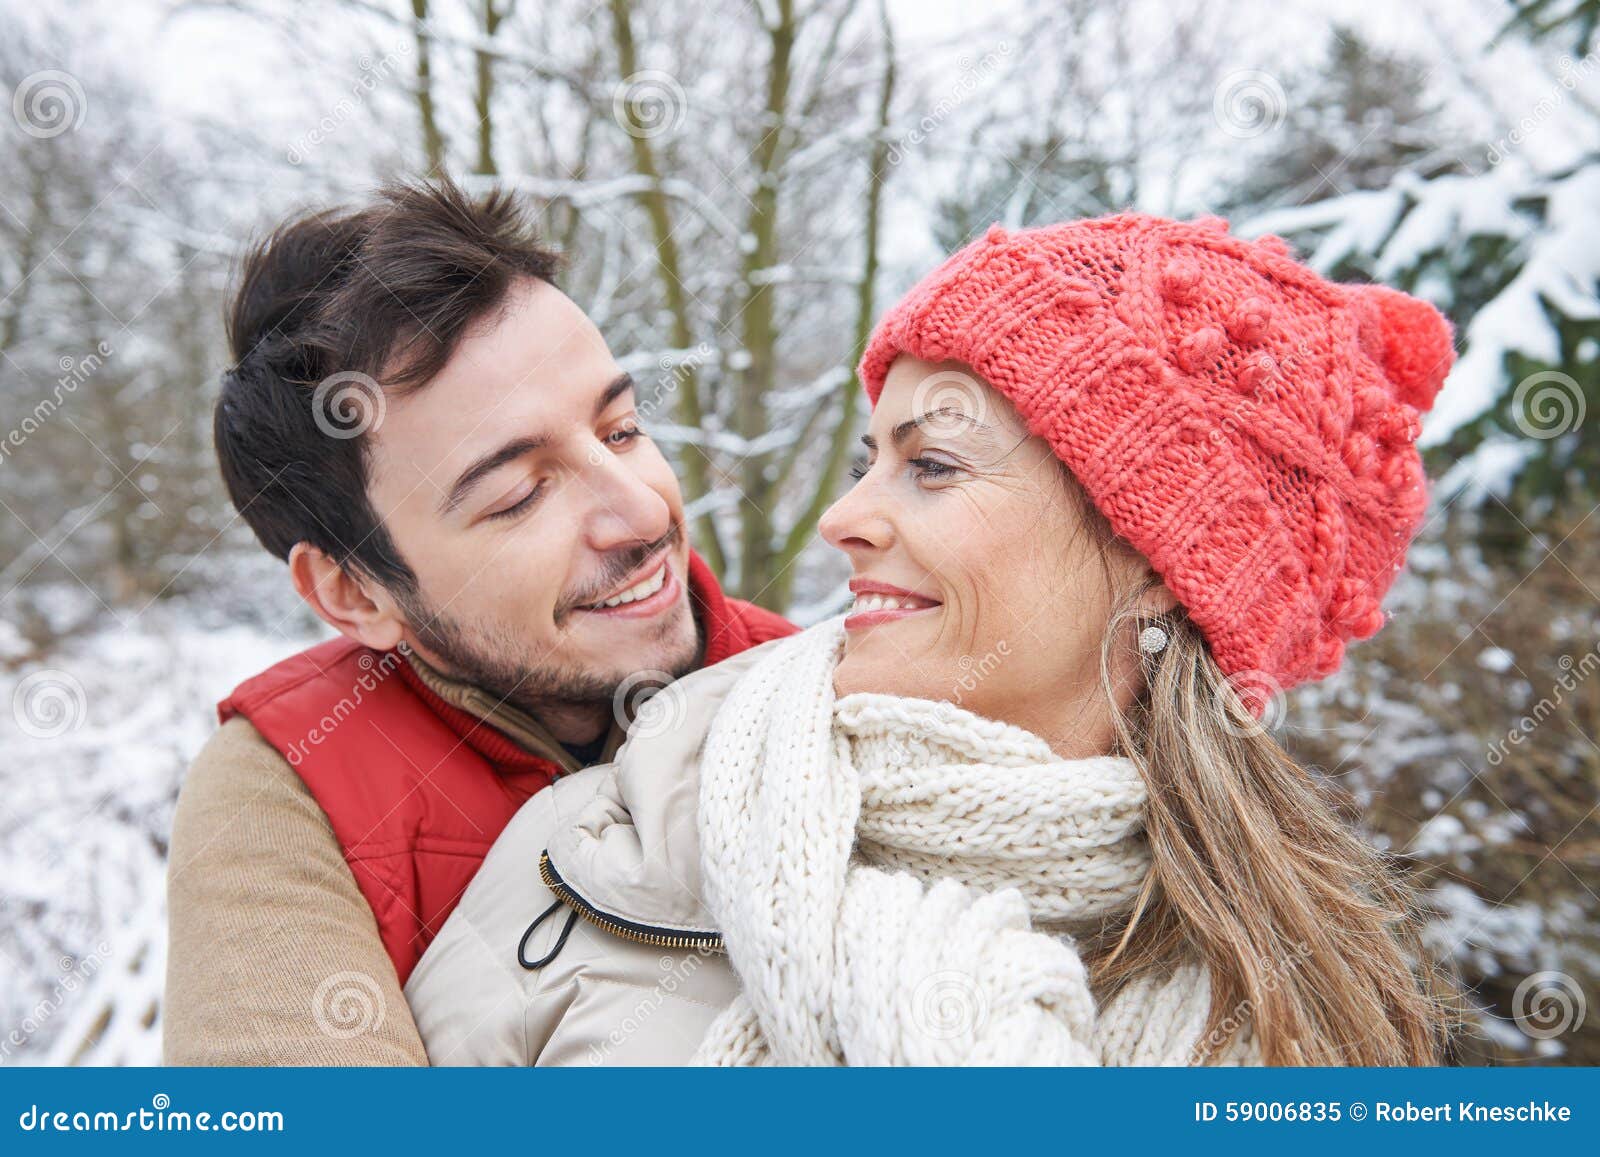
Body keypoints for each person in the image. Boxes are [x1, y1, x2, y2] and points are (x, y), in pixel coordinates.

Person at [403, 213, 1458, 1065]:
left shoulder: (1294, 1023)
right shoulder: (611, 830)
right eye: (871, 456)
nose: (841, 517)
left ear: (1154, 558)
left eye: (934, 465)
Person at [162, 180, 794, 1065]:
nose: (643, 516)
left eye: (620, 431)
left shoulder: (824, 686)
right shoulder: (290, 786)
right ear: (356, 594)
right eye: (519, 494)